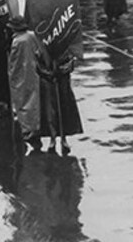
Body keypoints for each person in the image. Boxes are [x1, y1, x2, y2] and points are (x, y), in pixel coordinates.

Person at [7, 15, 47, 153]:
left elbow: (13, 62)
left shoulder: (17, 42)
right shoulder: (32, 36)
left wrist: (11, 74)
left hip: (21, 73)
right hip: (33, 70)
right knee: (34, 99)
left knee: (22, 100)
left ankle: (27, 129)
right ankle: (35, 126)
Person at [39, 51, 84, 155]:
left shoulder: (64, 42)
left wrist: (64, 69)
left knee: (64, 106)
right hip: (48, 78)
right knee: (50, 108)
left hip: (62, 78)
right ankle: (52, 138)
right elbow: (37, 61)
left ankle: (64, 138)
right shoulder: (41, 41)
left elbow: (71, 59)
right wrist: (47, 73)